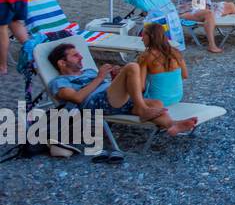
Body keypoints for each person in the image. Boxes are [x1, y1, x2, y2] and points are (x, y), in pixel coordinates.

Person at [47, 42, 197, 135]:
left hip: (110, 100)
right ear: (62, 63)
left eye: (79, 54)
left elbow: (110, 89)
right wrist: (100, 78)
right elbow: (77, 98)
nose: (80, 57)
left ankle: (172, 126)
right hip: (95, 105)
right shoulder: (60, 81)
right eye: (75, 56)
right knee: (132, 66)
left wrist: (116, 78)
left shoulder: (89, 72)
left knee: (156, 103)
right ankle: (141, 108)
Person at [138, 22, 187, 108]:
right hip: (177, 97)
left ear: (151, 37)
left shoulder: (146, 57)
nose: (142, 39)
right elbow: (185, 75)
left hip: (156, 101)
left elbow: (141, 87)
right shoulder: (176, 52)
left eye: (143, 36)